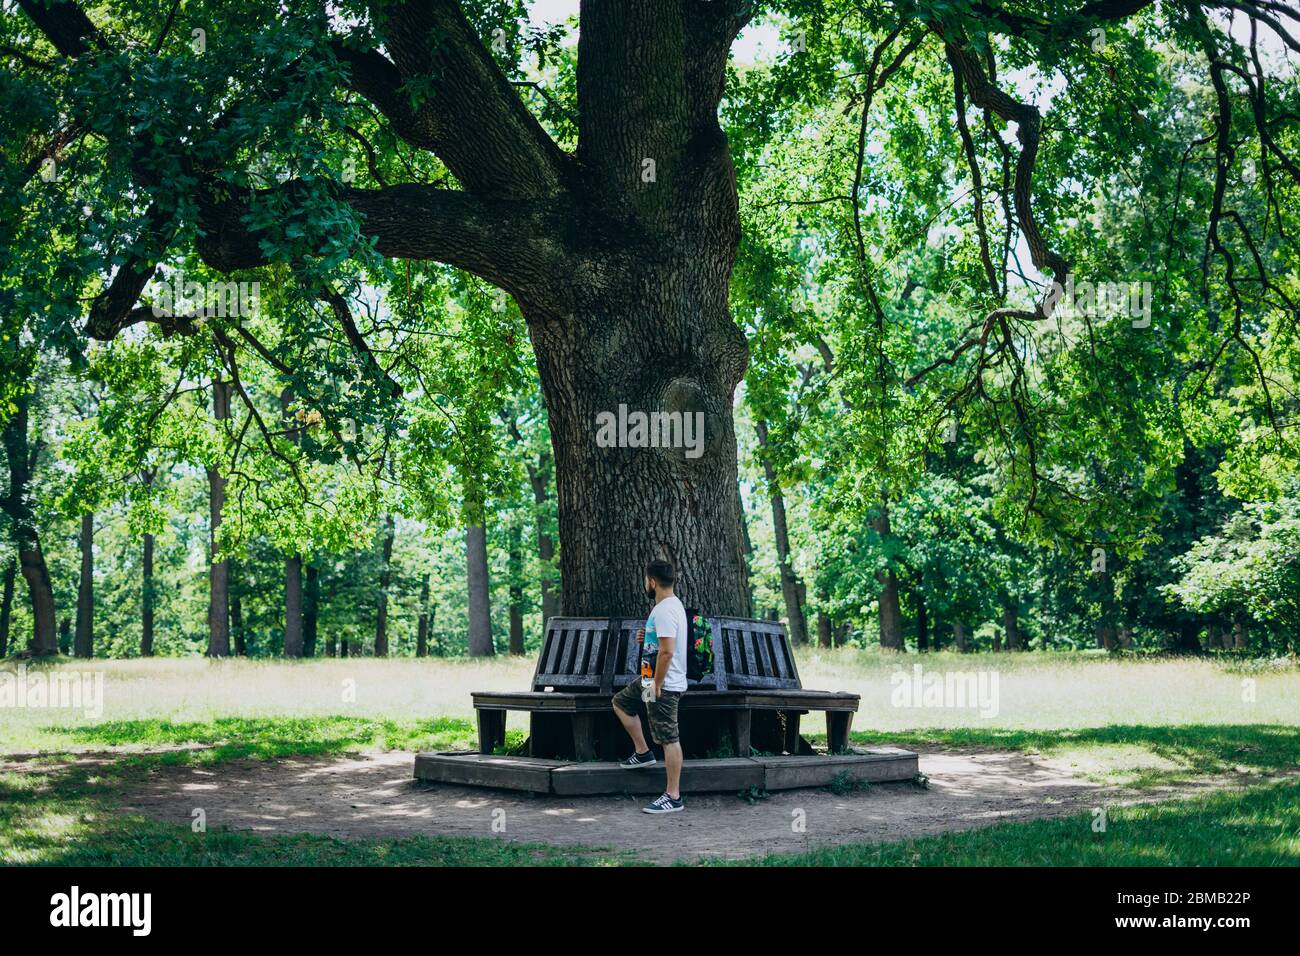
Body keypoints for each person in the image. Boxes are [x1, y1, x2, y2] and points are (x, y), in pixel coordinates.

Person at [611, 558, 689, 813]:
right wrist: (649, 635)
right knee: (622, 702)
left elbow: (667, 653)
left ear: (652, 582)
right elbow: (663, 642)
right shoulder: (669, 606)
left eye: (647, 580)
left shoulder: (666, 610)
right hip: (648, 679)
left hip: (662, 684)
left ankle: (673, 796)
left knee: (668, 737)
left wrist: (657, 683)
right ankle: (643, 752)